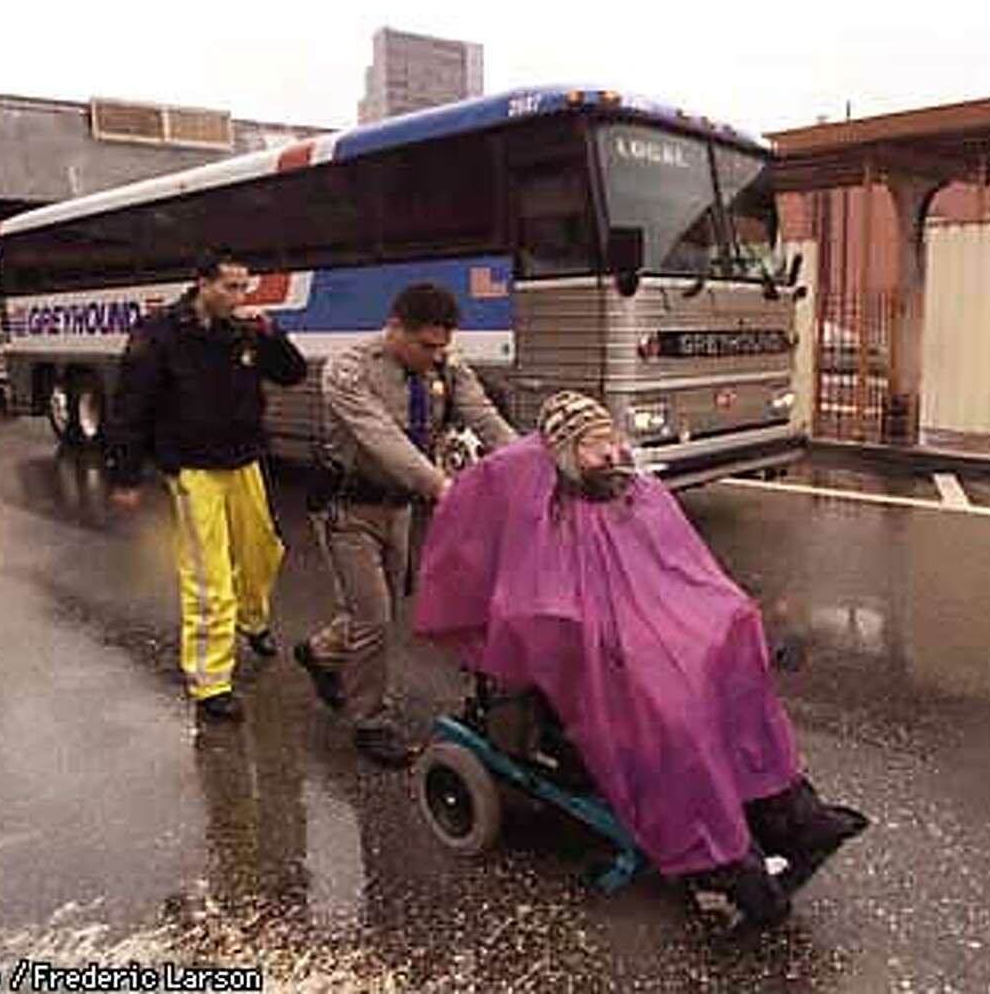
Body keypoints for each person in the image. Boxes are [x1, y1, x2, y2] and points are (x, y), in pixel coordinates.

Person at [414, 391, 868, 925]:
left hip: (654, 629)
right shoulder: (546, 515)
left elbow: (684, 567)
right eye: (593, 446)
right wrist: (605, 633)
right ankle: (722, 863)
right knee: (672, 706)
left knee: (734, 662)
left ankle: (790, 811)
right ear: (562, 453)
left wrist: (726, 616)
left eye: (612, 440)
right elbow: (532, 606)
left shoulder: (636, 494)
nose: (610, 455)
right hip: (606, 650)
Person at [295, 282, 516, 767]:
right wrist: (440, 485)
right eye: (426, 345)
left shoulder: (445, 366)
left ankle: (320, 652)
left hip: (398, 508)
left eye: (442, 346)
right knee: (373, 617)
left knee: (382, 610)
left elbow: (485, 417)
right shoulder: (348, 370)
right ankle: (369, 720)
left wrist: (528, 462)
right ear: (395, 328)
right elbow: (381, 438)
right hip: (346, 509)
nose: (435, 355)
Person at [107, 249, 307, 722]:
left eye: (244, 287)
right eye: (229, 287)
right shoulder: (159, 334)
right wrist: (126, 473)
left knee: (263, 551)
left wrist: (273, 335)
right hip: (193, 468)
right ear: (202, 283)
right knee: (208, 577)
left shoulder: (245, 331)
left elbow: (292, 374)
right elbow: (131, 404)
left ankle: (252, 619)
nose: (239, 297)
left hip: (243, 460)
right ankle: (210, 681)